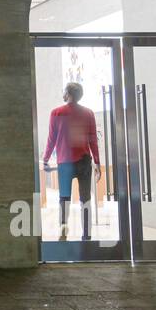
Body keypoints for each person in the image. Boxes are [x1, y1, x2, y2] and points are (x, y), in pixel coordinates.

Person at [40, 82, 102, 241]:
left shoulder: (56, 113)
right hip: (84, 162)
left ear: (68, 94)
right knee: (85, 199)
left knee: (64, 198)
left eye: (64, 91)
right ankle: (86, 234)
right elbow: (93, 140)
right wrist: (97, 162)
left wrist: (45, 159)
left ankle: (63, 230)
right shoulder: (88, 113)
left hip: (65, 163)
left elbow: (51, 139)